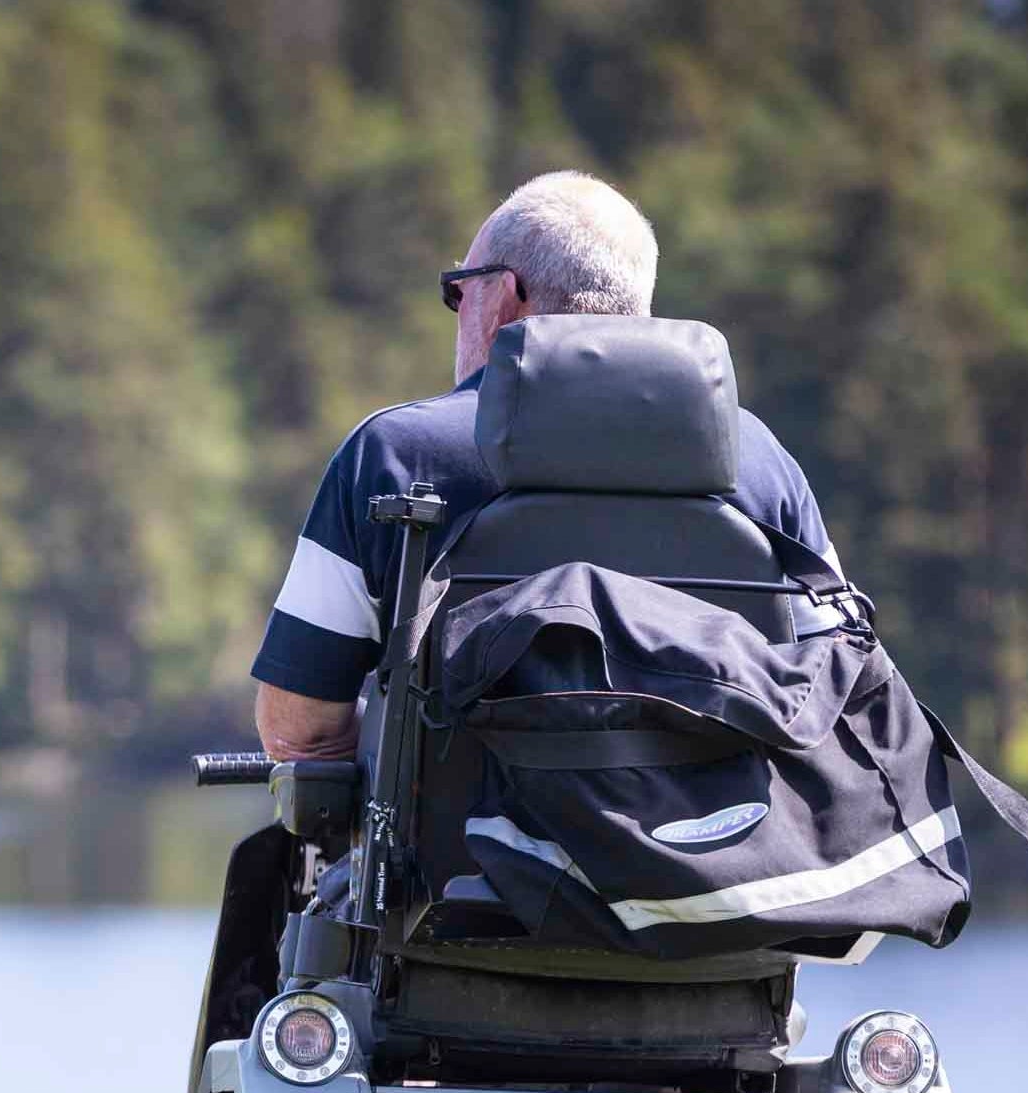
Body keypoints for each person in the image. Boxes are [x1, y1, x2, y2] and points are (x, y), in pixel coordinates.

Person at [249, 171, 844, 762]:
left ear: (506, 296)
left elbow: (299, 733)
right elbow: (832, 687)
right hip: (734, 847)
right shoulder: (761, 459)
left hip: (469, 854)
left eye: (458, 290)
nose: (456, 311)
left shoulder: (395, 456)